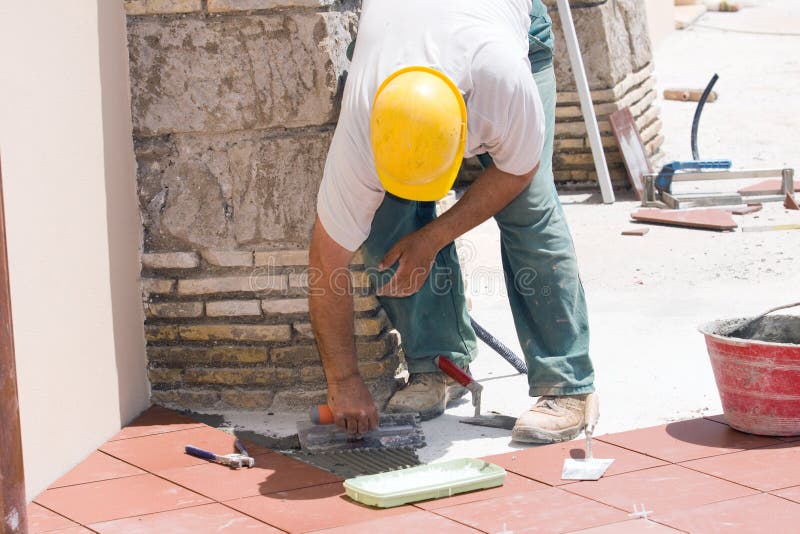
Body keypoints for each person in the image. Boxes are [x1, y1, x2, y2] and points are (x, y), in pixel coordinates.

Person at [308, 0, 596, 444]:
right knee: (387, 223)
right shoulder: (363, 124)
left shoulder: (503, 84)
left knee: (529, 213)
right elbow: (326, 263)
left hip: (500, 23)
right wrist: (343, 380)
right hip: (406, 33)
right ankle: (438, 363)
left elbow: (516, 172)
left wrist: (435, 236)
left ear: (467, 128)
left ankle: (568, 386)